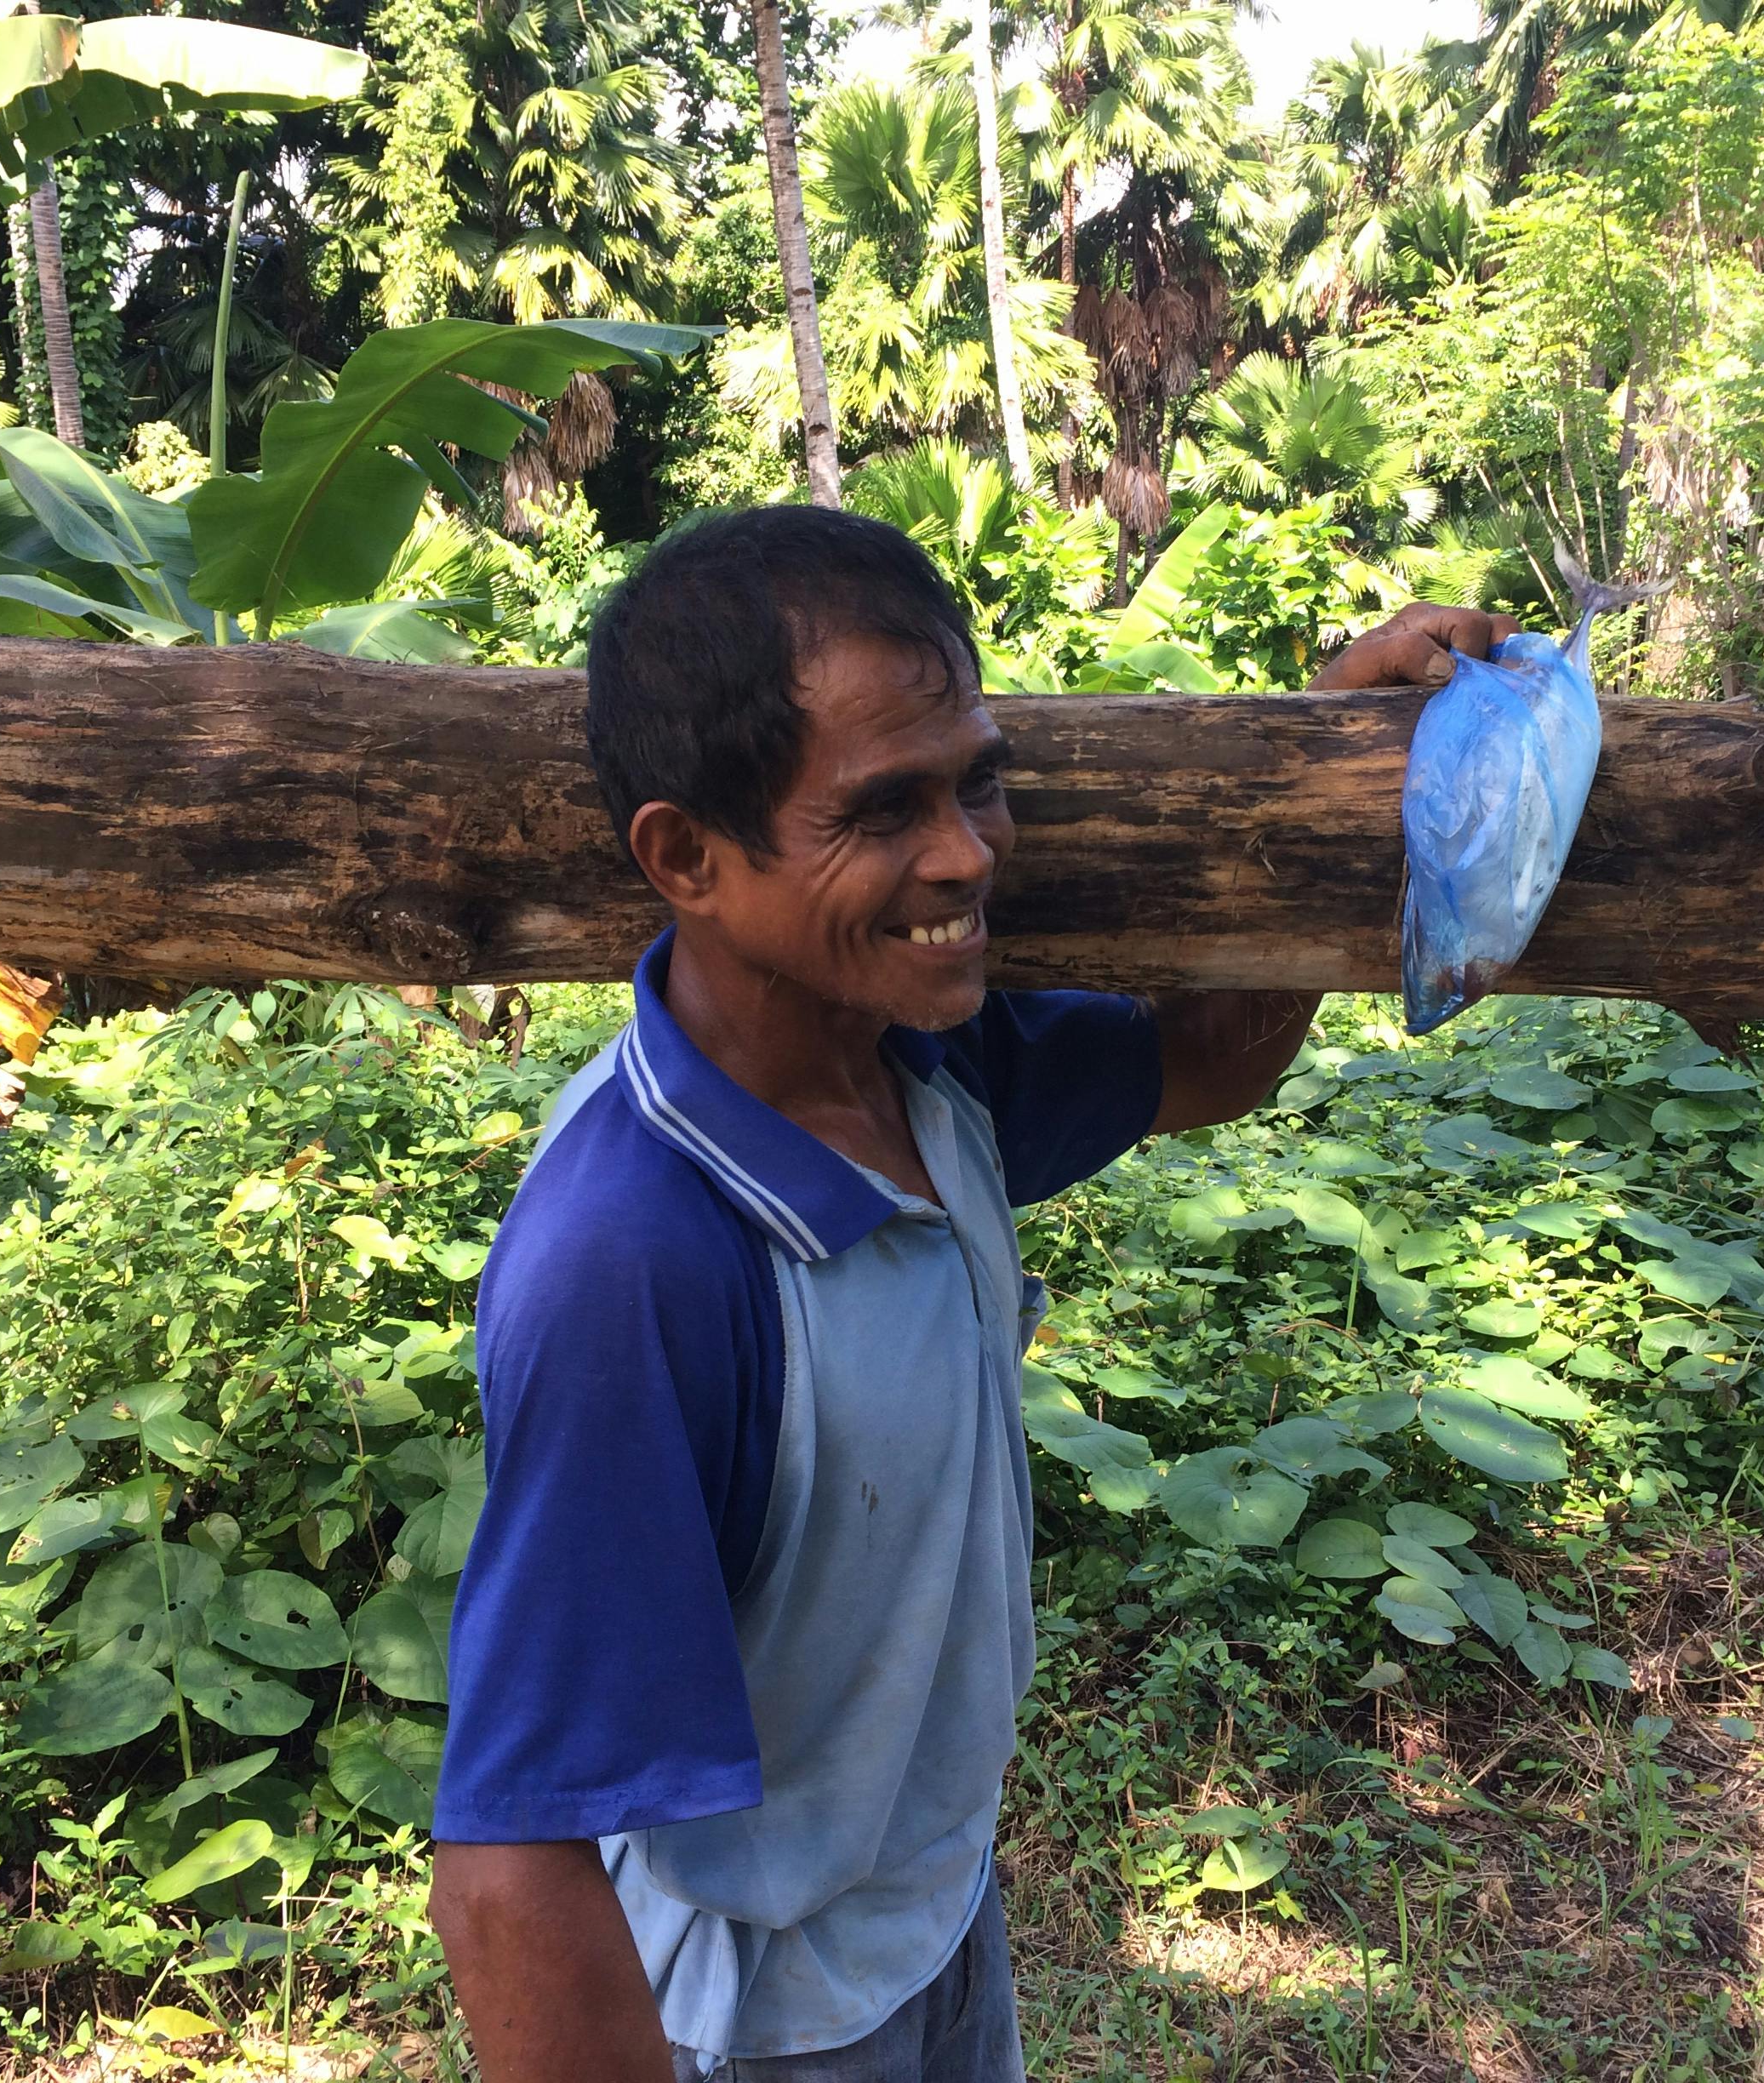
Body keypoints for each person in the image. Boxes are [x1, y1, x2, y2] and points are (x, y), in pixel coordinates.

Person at [425, 505, 1516, 2083]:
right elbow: (508, 1874)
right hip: (764, 2021)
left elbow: (1205, 1058)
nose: (967, 854)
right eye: (883, 811)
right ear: (687, 857)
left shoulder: (929, 1071)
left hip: (931, 1920)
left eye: (978, 780)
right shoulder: (641, 1255)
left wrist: (1331, 746)